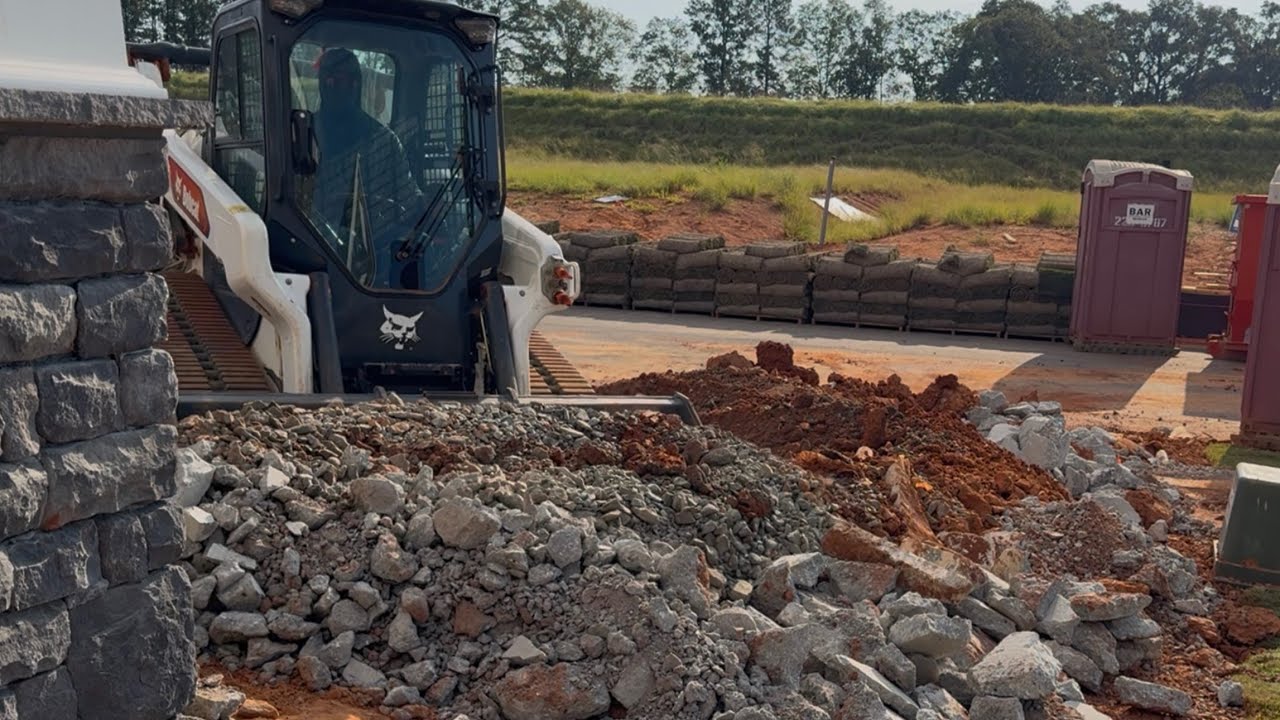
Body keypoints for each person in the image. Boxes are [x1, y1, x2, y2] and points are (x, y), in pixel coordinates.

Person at [311, 47, 422, 287]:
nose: (335, 87)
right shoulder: (303, 136)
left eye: (343, 81)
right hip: (314, 252)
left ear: (356, 85)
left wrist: (427, 207)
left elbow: (408, 198)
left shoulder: (384, 142)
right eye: (329, 80)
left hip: (379, 249)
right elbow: (295, 201)